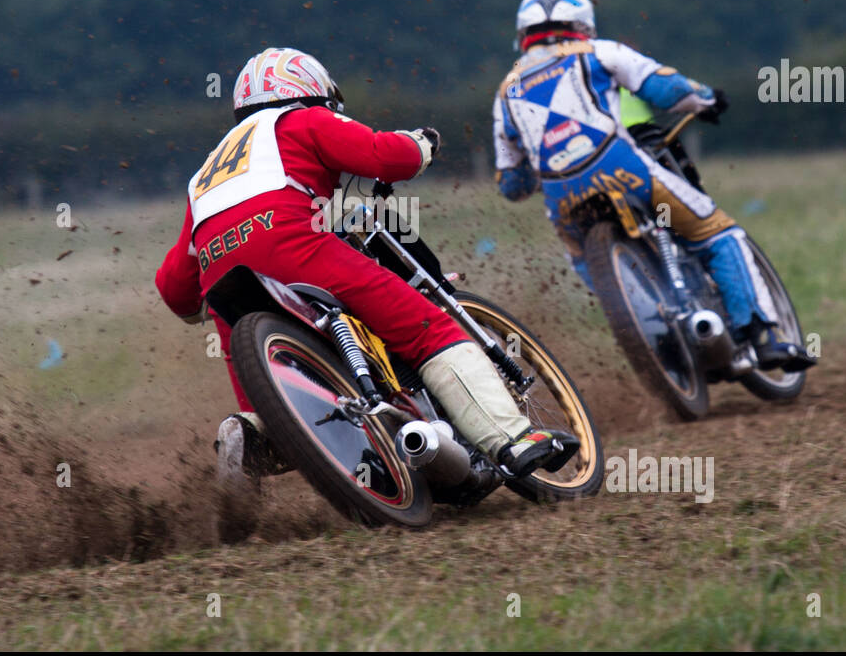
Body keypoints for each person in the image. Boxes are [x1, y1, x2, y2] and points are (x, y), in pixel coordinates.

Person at [155, 46, 580, 491]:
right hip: (290, 240)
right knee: (428, 329)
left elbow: (177, 292)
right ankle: (512, 438)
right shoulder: (302, 120)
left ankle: (250, 432)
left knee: (282, 403)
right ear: (308, 90)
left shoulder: (204, 173)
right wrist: (420, 144)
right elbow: (382, 155)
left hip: (220, 271)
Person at [492, 0, 816, 372]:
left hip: (562, 202)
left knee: (585, 264)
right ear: (583, 24)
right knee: (717, 233)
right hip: (625, 170)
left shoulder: (506, 92)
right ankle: (765, 339)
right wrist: (707, 99)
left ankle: (656, 343)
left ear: (523, 34)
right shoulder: (600, 51)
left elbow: (511, 183)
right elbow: (665, 88)